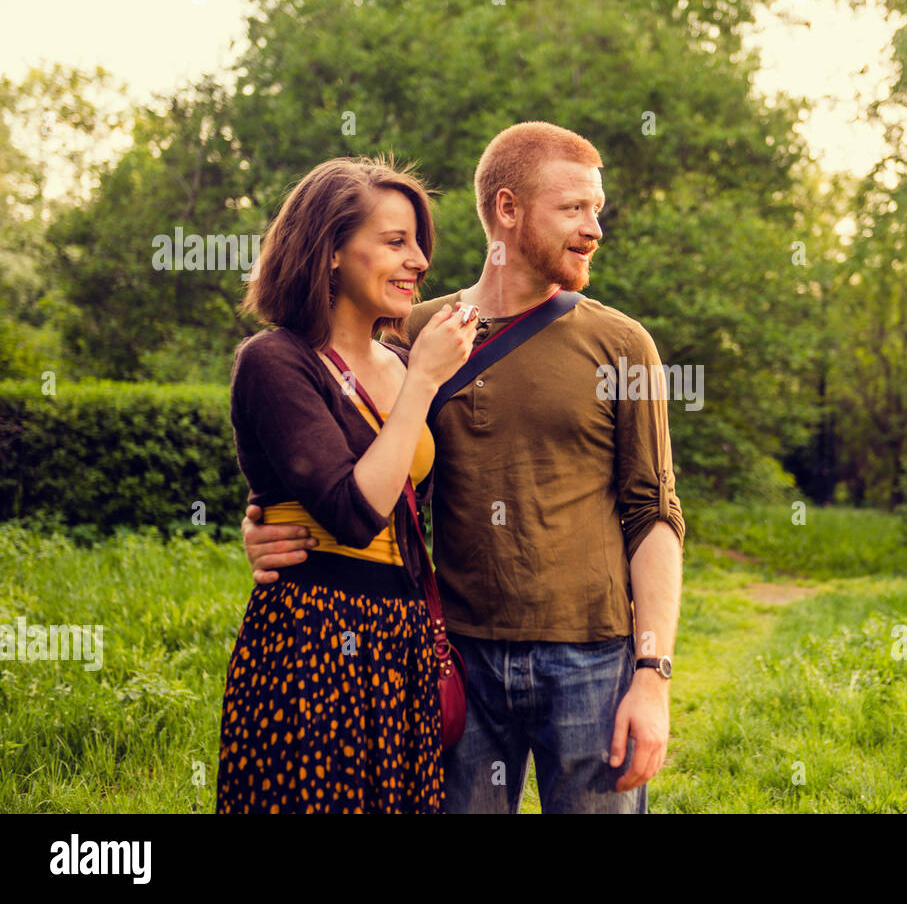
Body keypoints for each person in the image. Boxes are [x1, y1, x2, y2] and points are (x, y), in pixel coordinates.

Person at [241, 122, 686, 814]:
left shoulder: (623, 344)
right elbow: (334, 455)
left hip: (593, 662)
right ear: (507, 210)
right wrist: (268, 525)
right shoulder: (409, 337)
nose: (594, 228)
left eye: (597, 209)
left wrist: (652, 676)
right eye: (573, 208)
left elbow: (653, 512)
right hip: (456, 656)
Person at [218, 155, 477, 813]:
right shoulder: (275, 361)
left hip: (401, 640)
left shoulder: (398, 359)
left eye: (419, 243)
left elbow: (412, 509)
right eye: (395, 241)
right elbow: (352, 512)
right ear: (330, 251)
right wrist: (424, 381)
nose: (419, 259)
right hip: (313, 640)